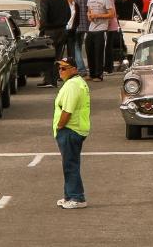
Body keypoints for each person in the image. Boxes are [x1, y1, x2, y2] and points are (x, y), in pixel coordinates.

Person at [52, 58, 91, 209]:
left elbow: (67, 111)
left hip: (70, 129)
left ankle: (77, 197)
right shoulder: (76, 82)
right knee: (69, 163)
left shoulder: (73, 86)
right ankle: (69, 195)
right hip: (75, 128)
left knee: (70, 164)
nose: (60, 71)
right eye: (60, 68)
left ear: (74, 69)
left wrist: (60, 126)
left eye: (64, 68)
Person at [39, 0, 72, 87]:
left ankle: (49, 80)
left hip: (50, 31)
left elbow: (43, 17)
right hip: (62, 30)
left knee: (48, 56)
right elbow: (69, 13)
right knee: (58, 56)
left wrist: (43, 27)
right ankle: (55, 78)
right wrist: (64, 23)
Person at [85, 0, 114, 81]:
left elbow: (111, 14)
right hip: (91, 28)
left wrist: (98, 15)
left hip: (101, 29)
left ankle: (99, 74)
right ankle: (91, 73)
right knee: (89, 51)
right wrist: (89, 16)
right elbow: (89, 10)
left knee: (98, 52)